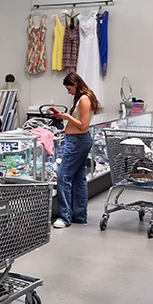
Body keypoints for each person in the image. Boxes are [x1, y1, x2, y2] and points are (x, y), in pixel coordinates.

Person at [51, 72, 101, 228]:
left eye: (69, 88)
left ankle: (64, 217)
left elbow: (83, 125)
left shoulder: (84, 99)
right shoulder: (85, 98)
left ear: (75, 84)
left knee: (62, 176)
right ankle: (79, 215)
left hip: (77, 142)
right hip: (77, 141)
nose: (68, 92)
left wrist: (67, 117)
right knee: (79, 179)